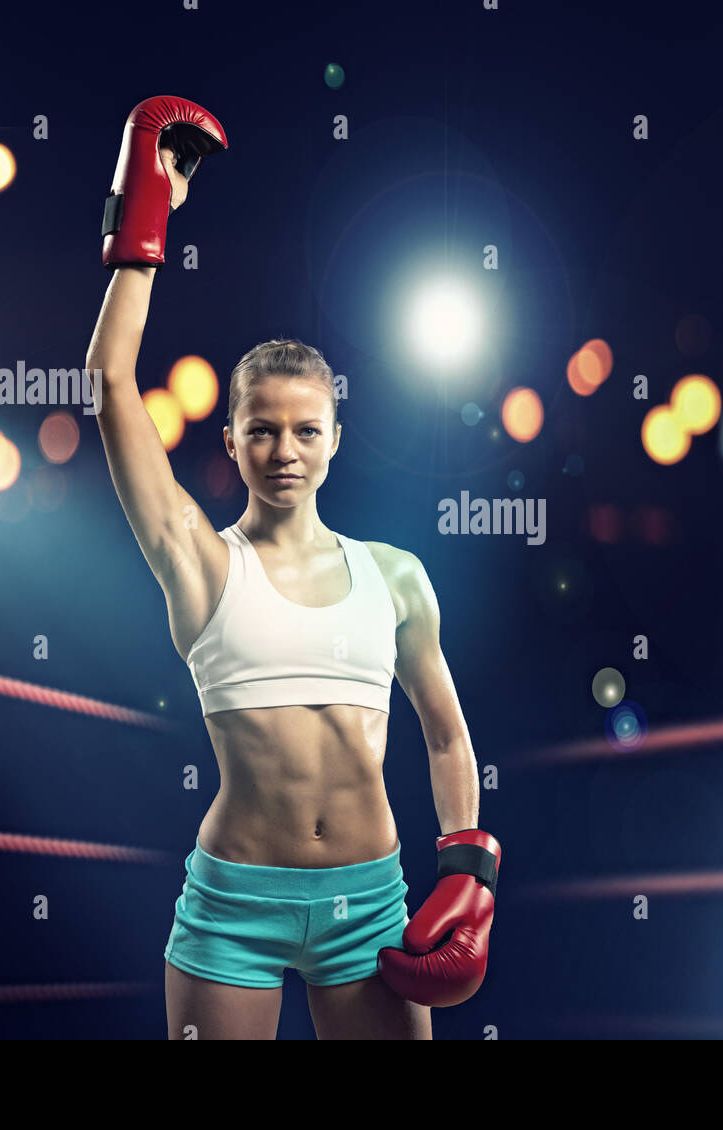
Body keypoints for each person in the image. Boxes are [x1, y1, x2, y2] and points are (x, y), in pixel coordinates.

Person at [86, 96, 500, 1040]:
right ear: (230, 441)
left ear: (335, 441)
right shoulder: (198, 563)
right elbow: (109, 384)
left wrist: (469, 867)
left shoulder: (396, 577)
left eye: (306, 430)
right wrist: (143, 211)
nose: (285, 450)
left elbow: (445, 737)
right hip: (234, 902)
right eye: (262, 430)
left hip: (370, 901)